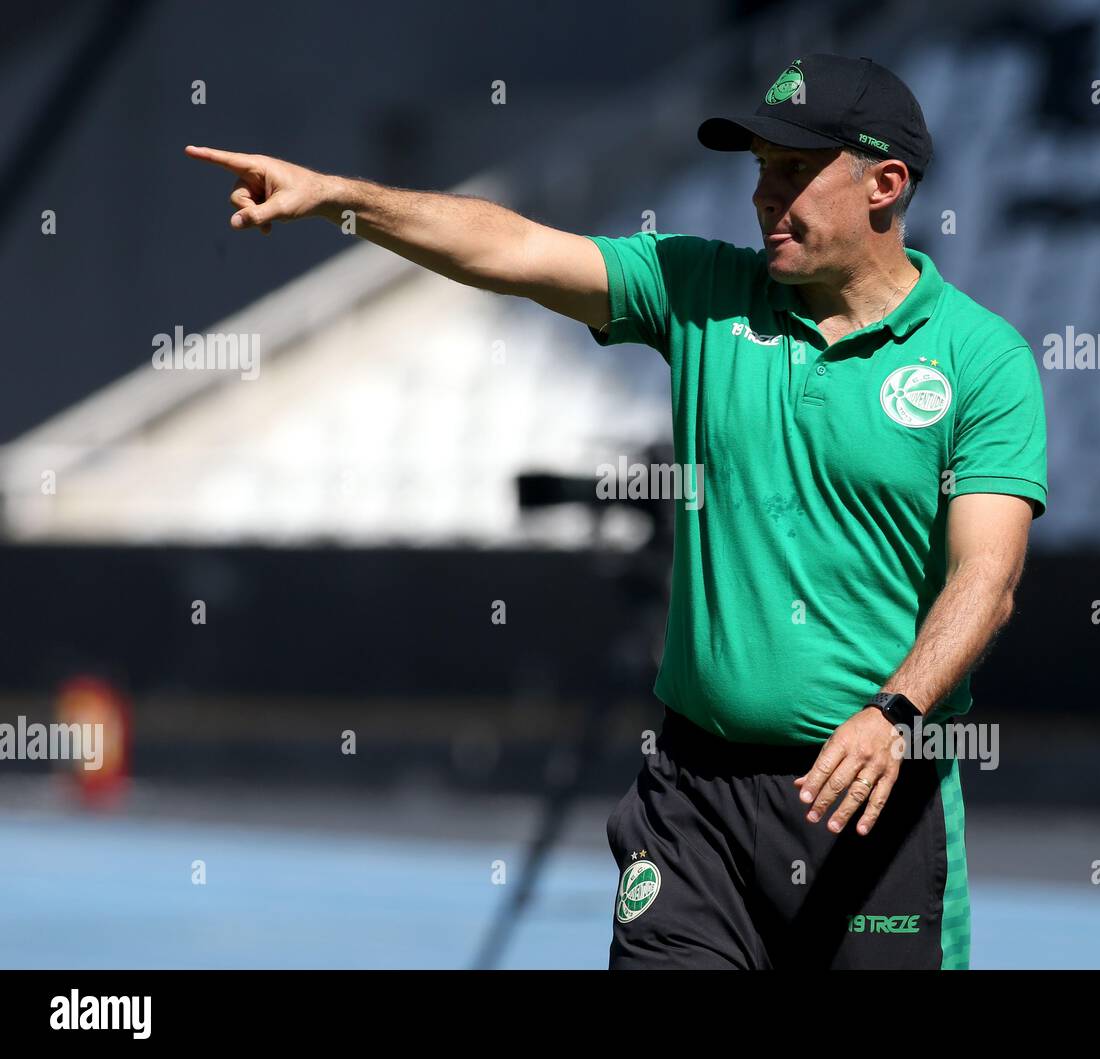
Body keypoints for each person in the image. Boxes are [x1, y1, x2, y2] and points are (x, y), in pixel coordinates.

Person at [186, 52, 1047, 970]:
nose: (764, 194)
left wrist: (896, 712)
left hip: (871, 796)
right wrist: (334, 197)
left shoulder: (981, 359)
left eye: (794, 170)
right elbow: (510, 248)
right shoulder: (699, 289)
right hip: (696, 806)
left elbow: (985, 580)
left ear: (886, 184)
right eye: (760, 167)